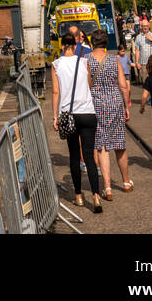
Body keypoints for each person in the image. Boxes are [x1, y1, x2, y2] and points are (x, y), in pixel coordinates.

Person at [51, 32, 102, 213]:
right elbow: (88, 85)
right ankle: (96, 196)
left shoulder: (56, 64)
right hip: (88, 113)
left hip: (69, 114)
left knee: (74, 156)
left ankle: (79, 197)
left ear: (62, 45)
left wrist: (55, 116)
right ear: (75, 45)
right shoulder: (83, 62)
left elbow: (56, 92)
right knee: (89, 156)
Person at [86, 30, 133, 197]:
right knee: (119, 144)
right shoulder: (114, 60)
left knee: (102, 146)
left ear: (92, 42)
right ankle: (126, 182)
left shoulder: (88, 61)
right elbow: (123, 85)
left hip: (96, 105)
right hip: (115, 104)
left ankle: (107, 187)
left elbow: (88, 86)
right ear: (106, 43)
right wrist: (126, 106)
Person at [132, 19, 152, 83]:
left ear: (149, 26)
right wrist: (137, 62)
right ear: (141, 26)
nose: (145, 27)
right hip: (144, 65)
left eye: (146, 26)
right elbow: (137, 51)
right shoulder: (138, 37)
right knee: (146, 84)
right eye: (143, 26)